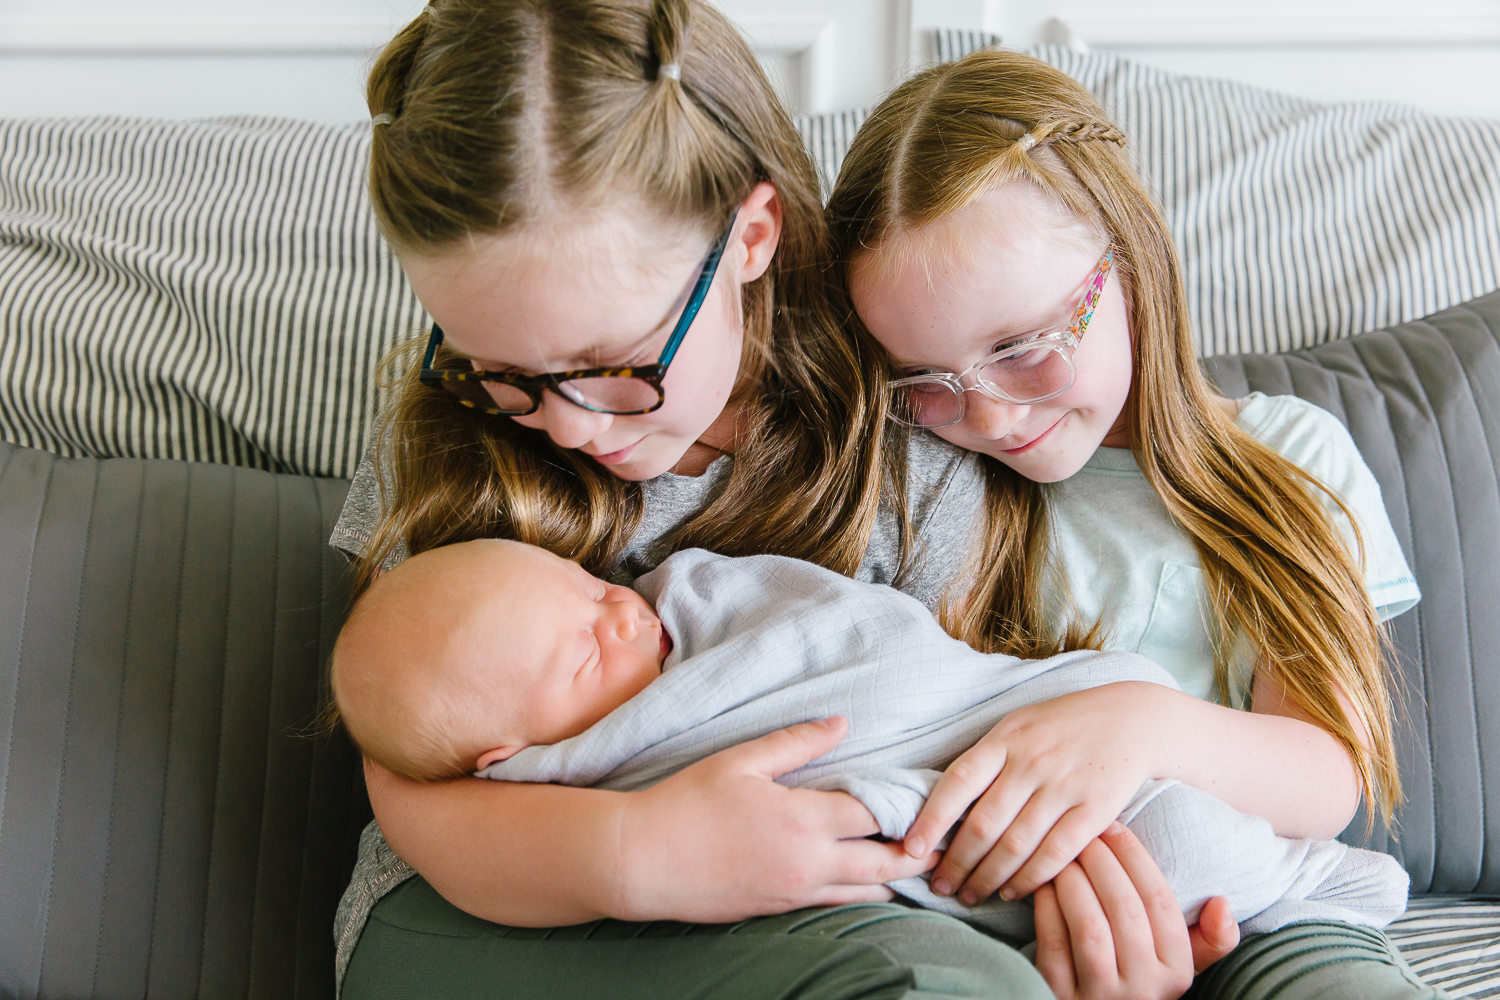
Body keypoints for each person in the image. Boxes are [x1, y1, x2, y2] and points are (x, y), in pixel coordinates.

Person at [328, 2, 1244, 998]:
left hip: (840, 918)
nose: (574, 425)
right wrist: (635, 850)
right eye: (502, 368)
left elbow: (947, 750)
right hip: (489, 907)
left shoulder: (902, 430)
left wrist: (1082, 924)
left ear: (751, 233)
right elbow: (407, 764)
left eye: (615, 365)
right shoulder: (457, 439)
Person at [826, 47, 1436, 1000]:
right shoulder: (932, 488)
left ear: (1131, 257)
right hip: (1006, 921)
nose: (988, 418)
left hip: (1270, 908)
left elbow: (1327, 775)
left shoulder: (1288, 457)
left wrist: (1140, 726)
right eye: (926, 384)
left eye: (1023, 350)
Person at [330, 538, 1410, 942]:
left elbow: (877, 657)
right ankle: (1295, 893)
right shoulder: (545, 764)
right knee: (1179, 848)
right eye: (579, 653)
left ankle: (1302, 903)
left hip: (1060, 730)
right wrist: (636, 847)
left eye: (584, 581)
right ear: (509, 758)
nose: (615, 612)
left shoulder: (694, 593)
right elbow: (403, 765)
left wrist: (1137, 715)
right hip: (513, 911)